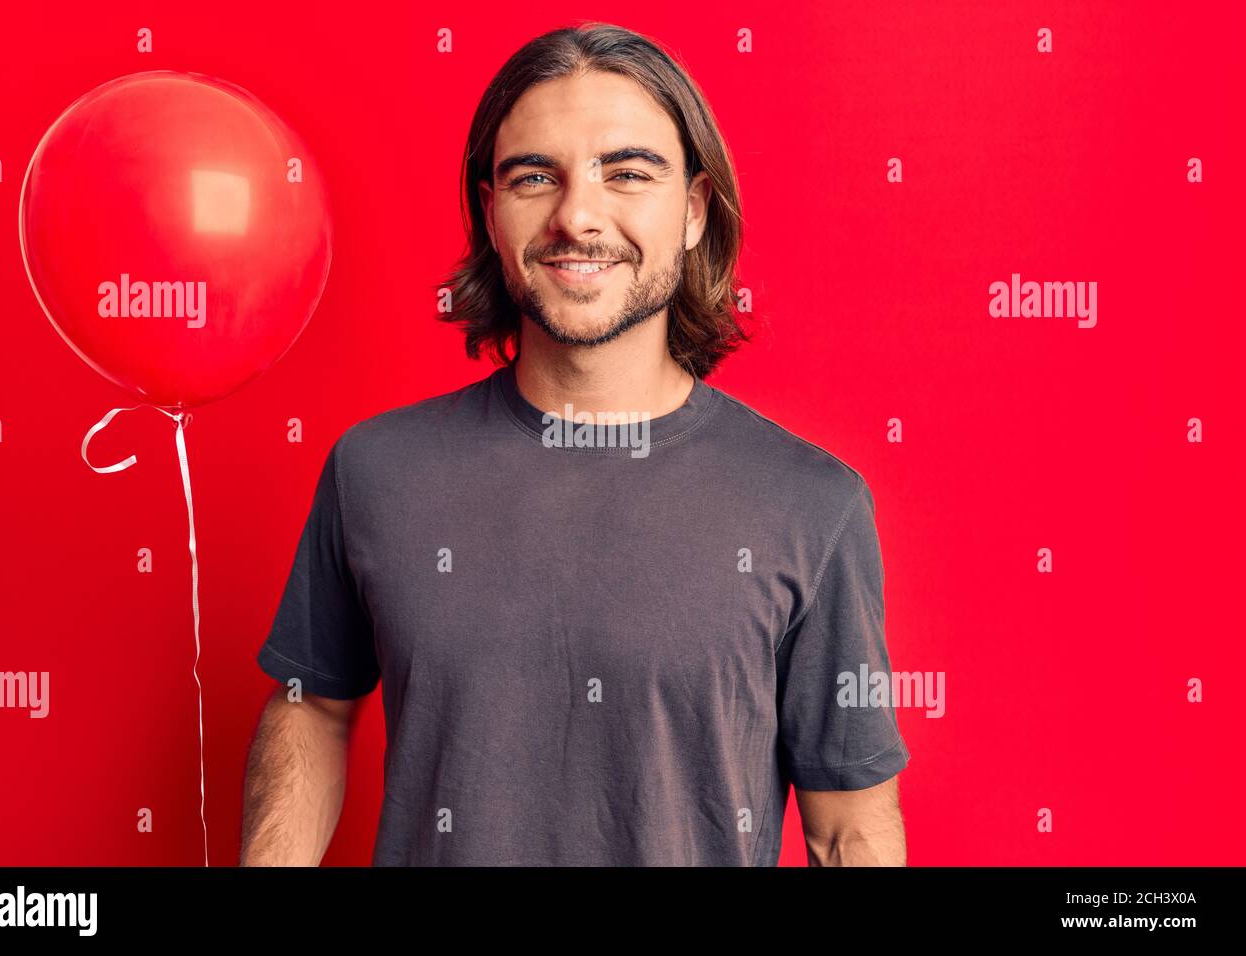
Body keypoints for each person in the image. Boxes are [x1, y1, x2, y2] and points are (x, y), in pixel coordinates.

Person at [240, 21, 909, 867]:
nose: (576, 216)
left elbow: (848, 825)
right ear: (490, 208)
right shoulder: (374, 472)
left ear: (695, 211)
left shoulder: (814, 506)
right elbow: (312, 706)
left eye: (627, 173)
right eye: (533, 176)